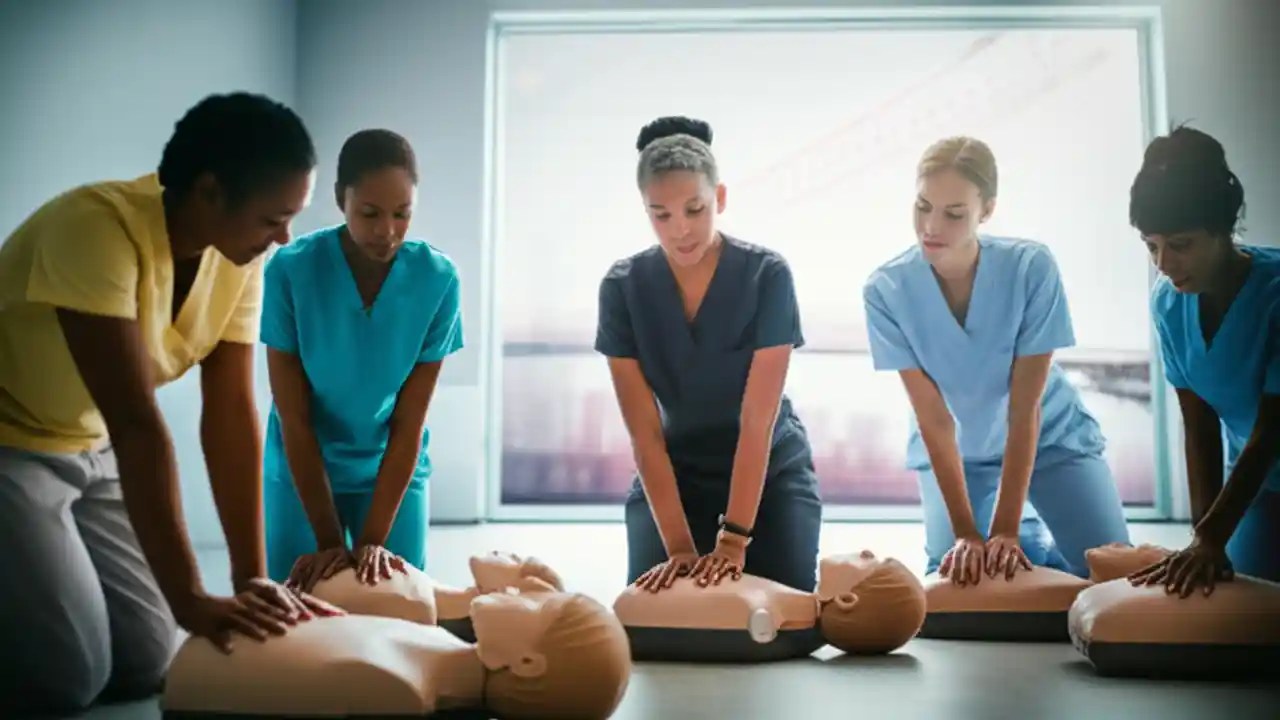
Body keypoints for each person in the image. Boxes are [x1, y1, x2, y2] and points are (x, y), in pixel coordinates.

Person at [0, 91, 342, 716]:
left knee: (146, 662)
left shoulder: (239, 256)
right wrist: (189, 597)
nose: (284, 237)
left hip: (90, 446)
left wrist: (250, 580)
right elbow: (137, 423)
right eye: (274, 219)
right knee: (68, 679)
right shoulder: (92, 229)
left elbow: (233, 417)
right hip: (11, 448)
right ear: (209, 191)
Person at [862, 136, 1130, 584]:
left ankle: (1018, 526)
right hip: (956, 452)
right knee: (958, 575)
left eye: (954, 214)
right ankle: (1021, 530)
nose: (931, 225)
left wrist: (1002, 531)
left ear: (985, 211)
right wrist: (968, 534)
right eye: (923, 206)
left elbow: (1026, 408)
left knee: (1108, 572)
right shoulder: (885, 291)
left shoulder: (1031, 268)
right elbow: (934, 420)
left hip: (1050, 439)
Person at [595, 116, 822, 594]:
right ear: (645, 211)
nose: (680, 230)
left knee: (783, 611)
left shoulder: (768, 275)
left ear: (719, 198)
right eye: (661, 214)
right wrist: (679, 548)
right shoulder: (621, 287)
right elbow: (645, 435)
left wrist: (734, 541)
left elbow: (757, 423)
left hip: (769, 473)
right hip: (674, 476)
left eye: (695, 209)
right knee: (656, 616)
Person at [261, 129, 463, 593]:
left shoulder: (437, 279)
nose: (386, 231)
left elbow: (410, 422)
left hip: (389, 467)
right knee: (300, 609)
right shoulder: (291, 270)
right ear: (340, 199)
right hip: (302, 468)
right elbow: (294, 418)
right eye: (369, 213)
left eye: (402, 214)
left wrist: (371, 541)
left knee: (399, 606)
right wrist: (330, 540)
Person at [1126, 126, 1279, 597]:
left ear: (1222, 228)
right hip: (1262, 488)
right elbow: (1199, 425)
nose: (1164, 263)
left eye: (1181, 244)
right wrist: (1203, 541)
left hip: (1264, 455)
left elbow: (1272, 430)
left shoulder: (1275, 296)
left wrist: (1213, 536)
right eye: (1152, 246)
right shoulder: (1168, 304)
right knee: (1238, 601)